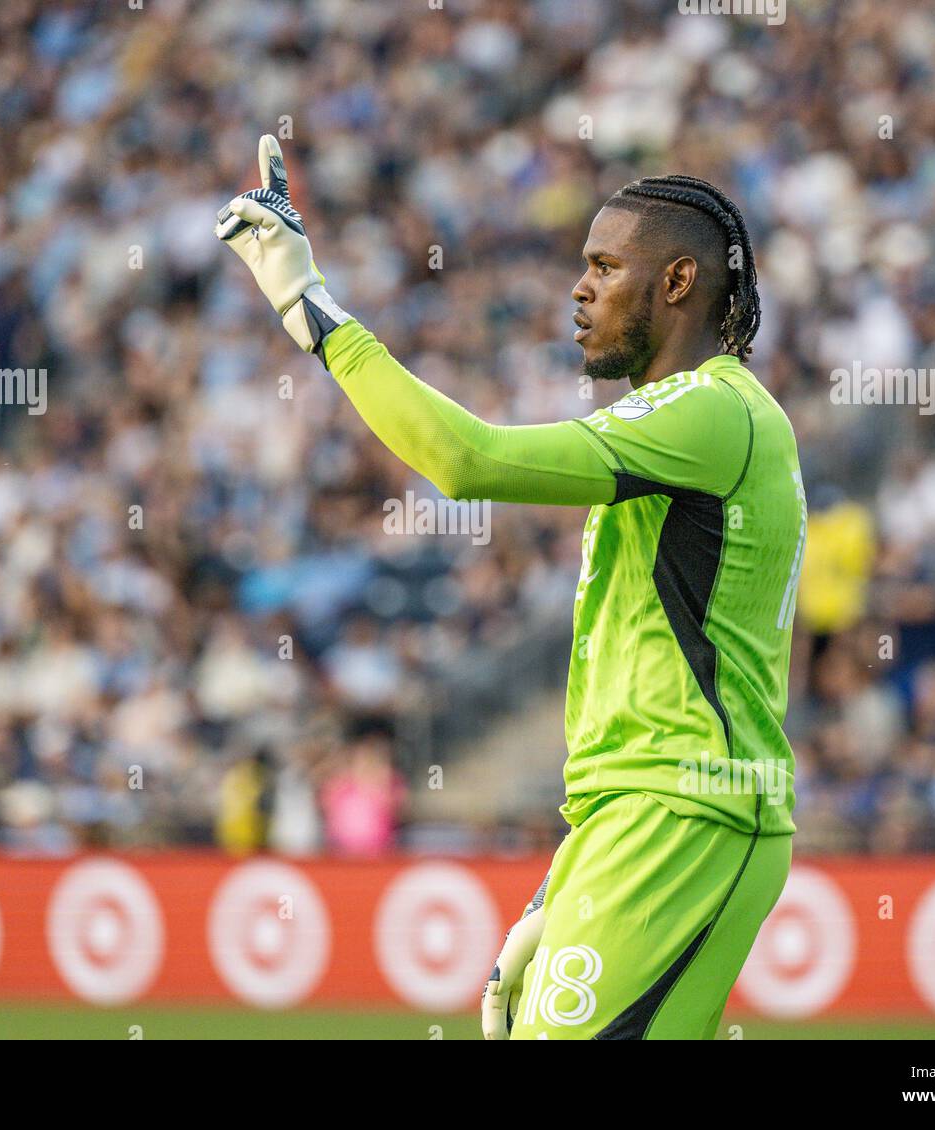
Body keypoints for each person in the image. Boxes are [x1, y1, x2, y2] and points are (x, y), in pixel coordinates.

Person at [216, 136, 805, 1041]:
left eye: (606, 267)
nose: (580, 289)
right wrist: (566, 882)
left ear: (679, 282)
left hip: (680, 820)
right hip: (649, 817)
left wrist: (310, 305)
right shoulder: (692, 421)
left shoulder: (713, 411)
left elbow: (466, 458)